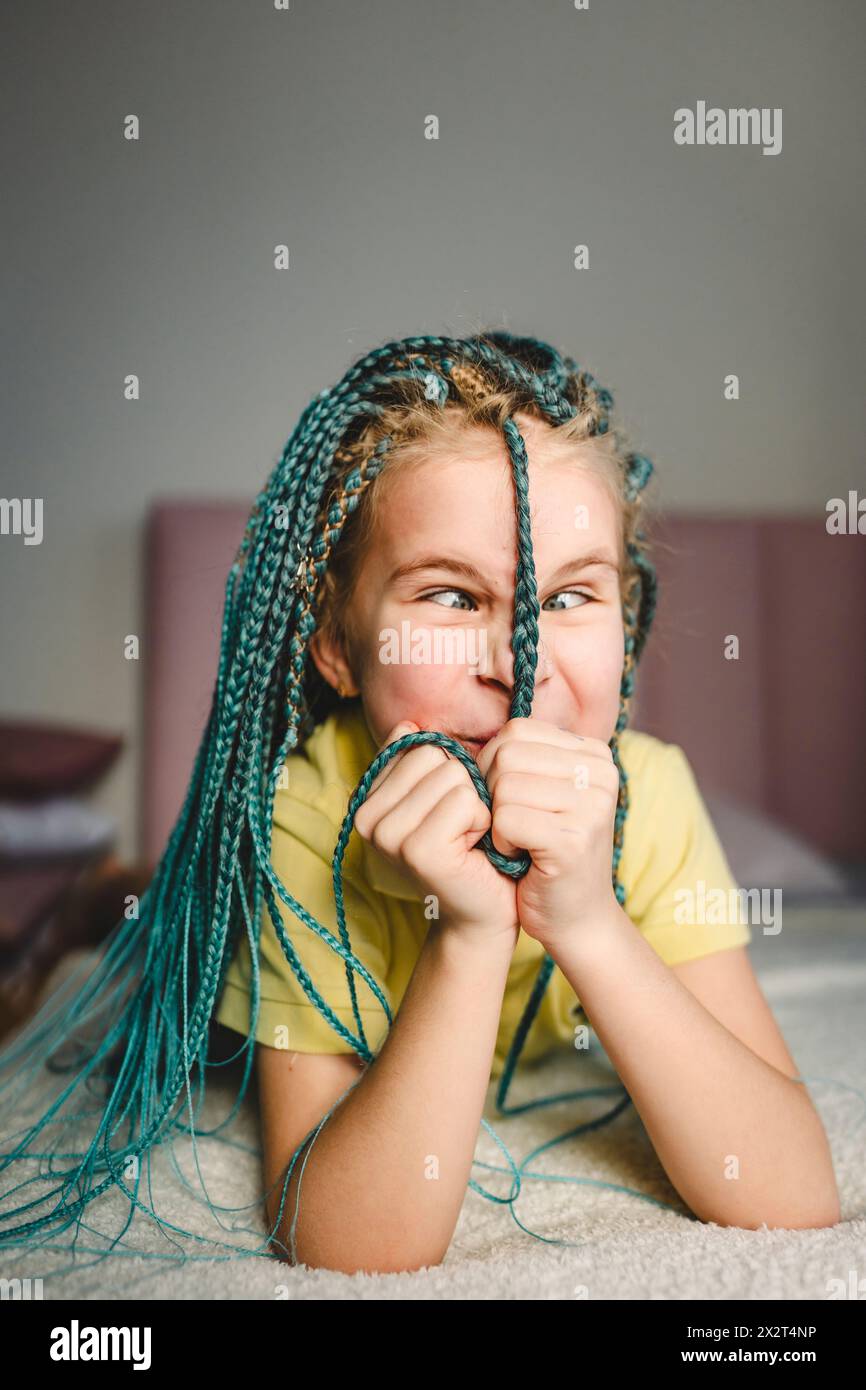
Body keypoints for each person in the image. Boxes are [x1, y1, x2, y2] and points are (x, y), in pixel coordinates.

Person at [0, 331, 839, 1276]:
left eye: (569, 598)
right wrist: (470, 934)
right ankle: (101, 897)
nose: (519, 667)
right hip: (258, 879)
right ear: (335, 645)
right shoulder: (300, 816)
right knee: (142, 930)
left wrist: (592, 923)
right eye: (449, 596)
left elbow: (793, 1194)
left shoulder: (652, 798)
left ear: (628, 619)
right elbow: (352, 1247)